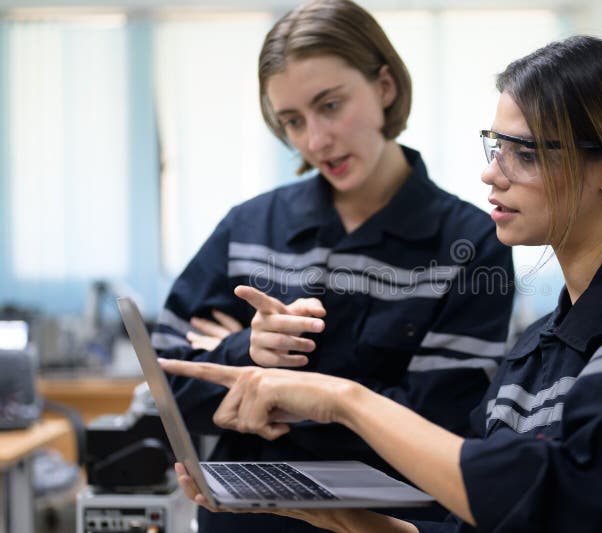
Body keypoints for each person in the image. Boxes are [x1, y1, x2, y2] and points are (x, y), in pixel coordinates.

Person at [160, 35, 602, 532]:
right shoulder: (538, 352)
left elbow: (568, 501)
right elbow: (492, 516)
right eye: (494, 145)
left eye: (524, 152)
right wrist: (333, 516)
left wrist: (340, 398)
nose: (492, 174)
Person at [152, 0, 514, 531]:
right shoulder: (249, 226)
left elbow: (440, 424)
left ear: (385, 88)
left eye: (330, 106)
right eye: (292, 121)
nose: (314, 141)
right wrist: (246, 350)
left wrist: (263, 388)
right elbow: (167, 384)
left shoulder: (471, 242)